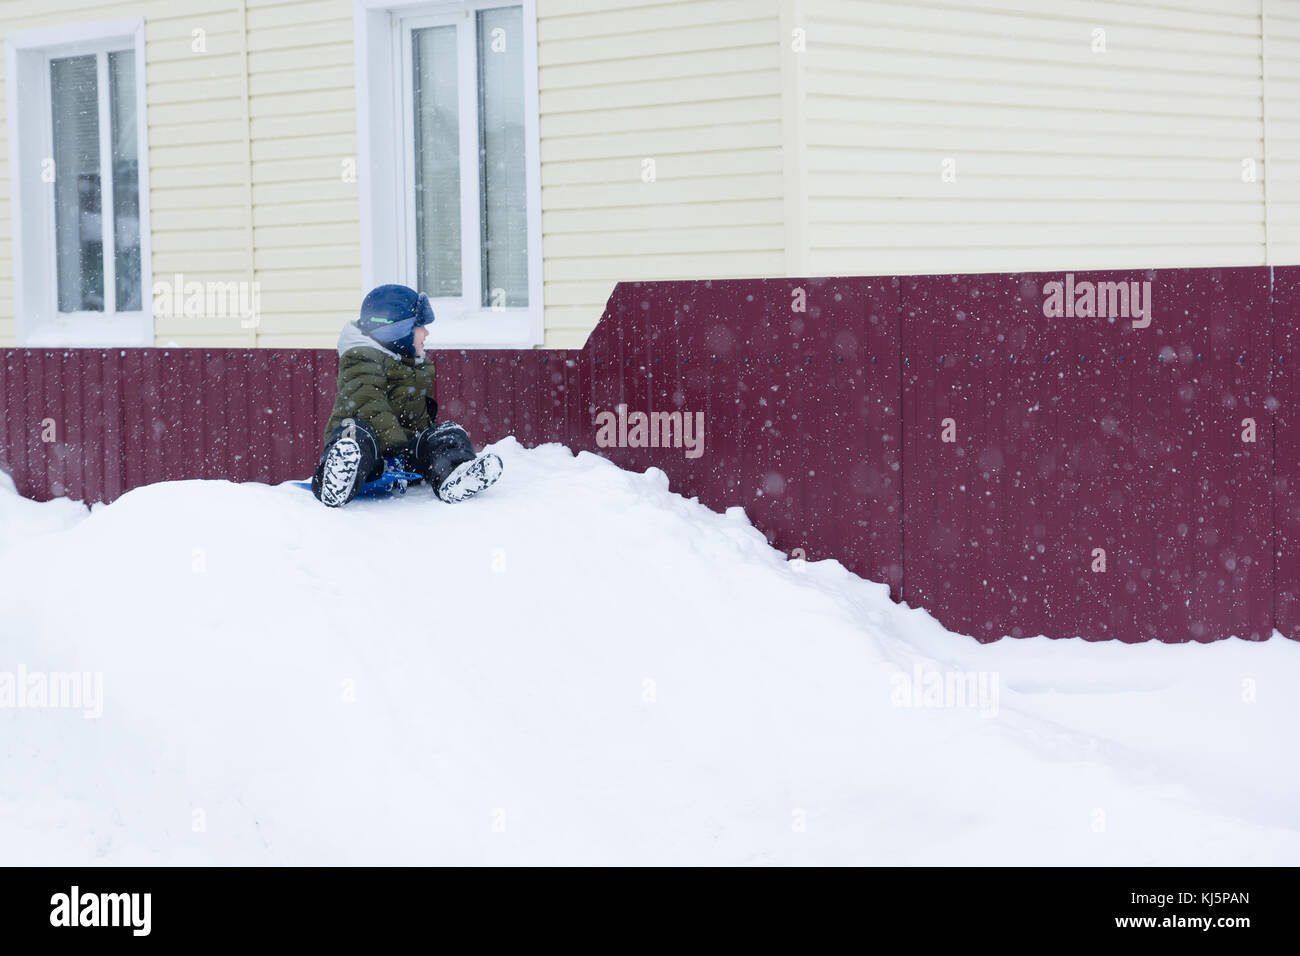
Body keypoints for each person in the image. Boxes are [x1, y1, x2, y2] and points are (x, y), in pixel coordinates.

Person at [311, 284, 502, 507]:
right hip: (370, 460)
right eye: (420, 326)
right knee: (353, 431)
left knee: (445, 432)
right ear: (397, 331)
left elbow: (418, 424)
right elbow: (367, 406)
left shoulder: (412, 365)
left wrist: (425, 447)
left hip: (403, 458)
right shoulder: (362, 359)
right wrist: (393, 455)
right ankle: (337, 477)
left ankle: (454, 474)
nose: (427, 333)